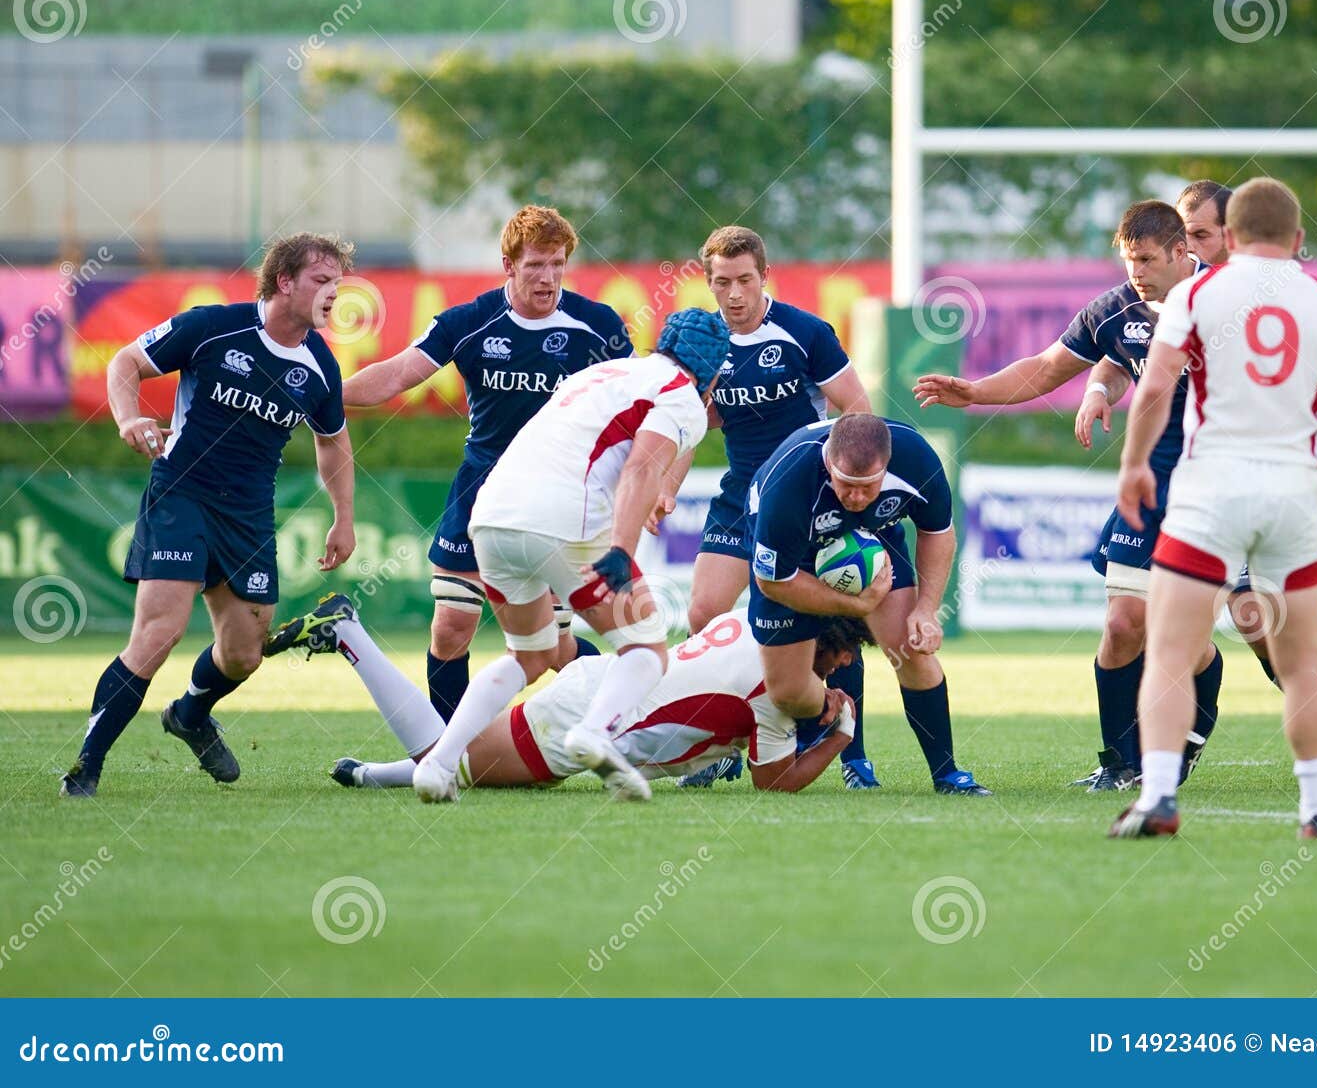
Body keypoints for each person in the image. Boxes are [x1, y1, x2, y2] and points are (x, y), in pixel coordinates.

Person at [1108, 177, 1317, 839]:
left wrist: (1134, 465)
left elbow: (1156, 386)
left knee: (1168, 650)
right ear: (1299, 238)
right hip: (1291, 497)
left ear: (1228, 237)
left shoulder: (1197, 292)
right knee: (1302, 661)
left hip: (1210, 490)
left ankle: (1159, 798)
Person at [915, 200, 1224, 792]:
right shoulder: (1117, 311)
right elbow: (1046, 366)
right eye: (1130, 259)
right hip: (1151, 485)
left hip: (1219, 488)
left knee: (1186, 637)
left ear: (1184, 252)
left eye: (1148, 259)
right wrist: (975, 391)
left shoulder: (1226, 303)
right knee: (1122, 623)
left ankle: (1186, 744)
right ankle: (1119, 763)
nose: (1137, 272)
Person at [394, 307, 731, 804]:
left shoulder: (603, 372)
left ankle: (439, 762)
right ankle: (593, 733)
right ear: (714, 370)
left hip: (491, 514)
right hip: (564, 520)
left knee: (529, 655)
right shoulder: (682, 395)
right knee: (646, 650)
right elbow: (641, 470)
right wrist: (621, 547)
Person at [61, 234, 357, 797]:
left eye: (338, 285)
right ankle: (85, 768)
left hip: (247, 516)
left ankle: (190, 715)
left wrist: (343, 515)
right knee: (158, 633)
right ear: (285, 282)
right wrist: (128, 419)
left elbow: (333, 442)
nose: (332, 295)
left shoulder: (320, 366)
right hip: (182, 494)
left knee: (244, 653)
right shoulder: (212, 327)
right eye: (321, 282)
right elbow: (125, 361)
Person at [1074, 182, 1317, 776]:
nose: (1190, 243)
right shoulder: (1150, 307)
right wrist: (1115, 423)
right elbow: (1136, 364)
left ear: (1229, 236)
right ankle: (1141, 771)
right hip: (1168, 488)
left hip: (1239, 482)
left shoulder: (1256, 301)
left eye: (1199, 233)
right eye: (1183, 232)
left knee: (1254, 618)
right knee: (1142, 629)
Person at [342, 206, 631, 721]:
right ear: (508, 264)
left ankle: (638, 717)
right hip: (482, 487)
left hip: (560, 495)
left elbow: (633, 408)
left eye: (558, 264)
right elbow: (396, 375)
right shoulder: (470, 322)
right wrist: (318, 399)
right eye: (536, 265)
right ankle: (446, 749)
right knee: (450, 627)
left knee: (554, 652)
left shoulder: (598, 326)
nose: (548, 278)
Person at [658, 225, 876, 788]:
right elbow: (690, 423)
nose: (734, 294)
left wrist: (846, 486)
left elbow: (857, 410)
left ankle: (853, 754)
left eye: (744, 280)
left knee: (829, 629)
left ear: (764, 276)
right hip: (739, 495)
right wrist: (665, 485)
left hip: (801, 500)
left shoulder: (805, 333)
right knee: (705, 613)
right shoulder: (706, 343)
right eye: (722, 282)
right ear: (708, 283)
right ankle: (720, 746)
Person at [265, 597, 868, 794]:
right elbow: (774, 783)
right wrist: (838, 736)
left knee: (461, 759)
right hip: (583, 724)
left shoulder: (748, 616)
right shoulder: (785, 689)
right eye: (842, 655)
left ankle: (368, 775)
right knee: (443, 763)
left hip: (605, 684)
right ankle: (347, 632)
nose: (841, 670)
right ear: (826, 640)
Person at [744, 413, 991, 794]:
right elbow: (774, 581)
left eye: (868, 486)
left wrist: (926, 610)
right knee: (789, 691)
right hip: (794, 558)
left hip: (870, 539)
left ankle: (947, 774)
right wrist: (854, 608)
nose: (857, 497)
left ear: (887, 466)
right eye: (847, 485)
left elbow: (937, 532)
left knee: (912, 650)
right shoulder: (789, 483)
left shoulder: (917, 459)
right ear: (829, 462)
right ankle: (836, 735)